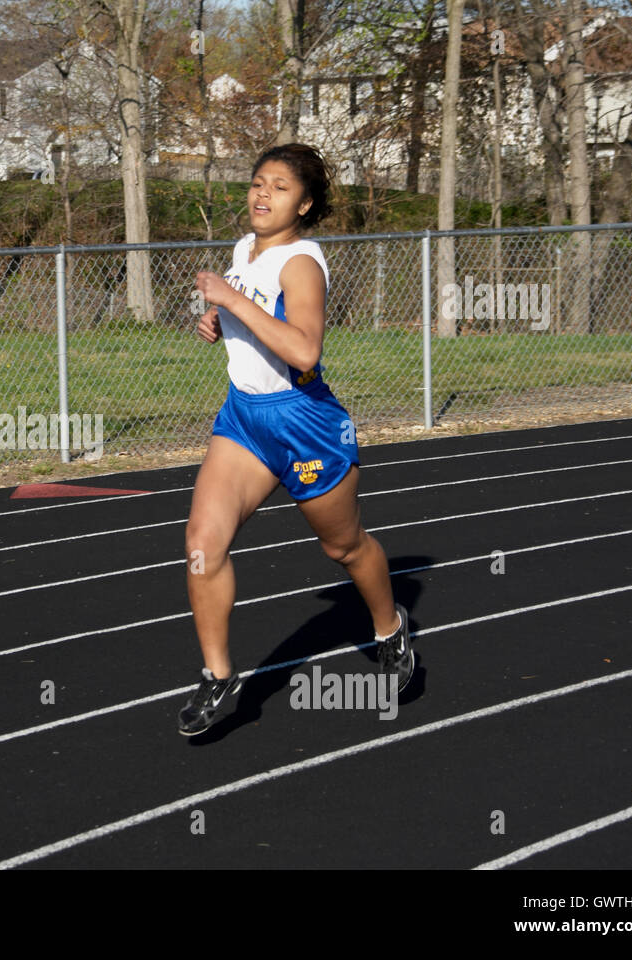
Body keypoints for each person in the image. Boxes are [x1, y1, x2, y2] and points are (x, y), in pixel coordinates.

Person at [177, 143, 413, 736]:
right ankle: (217, 673)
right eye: (258, 183)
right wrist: (218, 321)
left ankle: (388, 626)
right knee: (202, 545)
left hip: (305, 424)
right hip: (245, 419)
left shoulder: (302, 261)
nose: (263, 195)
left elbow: (305, 348)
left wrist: (230, 300)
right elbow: (256, 323)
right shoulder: (242, 251)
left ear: (304, 203)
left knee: (345, 549)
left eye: (280, 187)